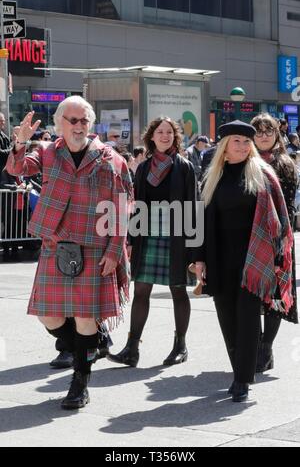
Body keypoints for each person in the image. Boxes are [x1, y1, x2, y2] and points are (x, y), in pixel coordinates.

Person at [6, 96, 133, 410]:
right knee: (48, 315)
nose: (79, 126)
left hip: (94, 247)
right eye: (72, 120)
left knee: (84, 320)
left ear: (90, 124)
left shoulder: (109, 159)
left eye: (83, 121)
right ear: (59, 124)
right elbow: (16, 168)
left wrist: (115, 251)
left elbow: (121, 208)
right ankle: (90, 344)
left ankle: (80, 382)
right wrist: (19, 142)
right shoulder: (47, 153)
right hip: (55, 246)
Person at [195, 120, 294, 402]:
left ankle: (242, 378)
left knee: (248, 316)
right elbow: (201, 222)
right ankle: (238, 366)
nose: (242, 145)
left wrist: (277, 256)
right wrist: (199, 259)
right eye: (236, 141)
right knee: (227, 316)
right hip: (220, 256)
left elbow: (280, 220)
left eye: (246, 141)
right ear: (224, 147)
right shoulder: (212, 176)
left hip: (254, 257)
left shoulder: (263, 175)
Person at [107, 116, 198, 368]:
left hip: (177, 235)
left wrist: (195, 248)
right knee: (142, 290)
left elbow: (193, 207)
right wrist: (131, 239)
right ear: (152, 136)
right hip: (148, 234)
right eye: (160, 132)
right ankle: (132, 349)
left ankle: (180, 346)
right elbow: (136, 207)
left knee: (178, 289)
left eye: (169, 132)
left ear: (175, 136)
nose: (165, 136)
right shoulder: (144, 168)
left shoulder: (185, 166)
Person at [251, 113, 298, 372]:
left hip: (278, 239)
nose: (265, 136)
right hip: (250, 239)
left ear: (276, 134)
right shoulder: (245, 160)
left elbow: (288, 208)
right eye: (259, 132)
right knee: (253, 295)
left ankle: (265, 347)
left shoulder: (284, 163)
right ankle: (258, 346)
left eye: (269, 131)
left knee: (275, 297)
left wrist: (279, 237)